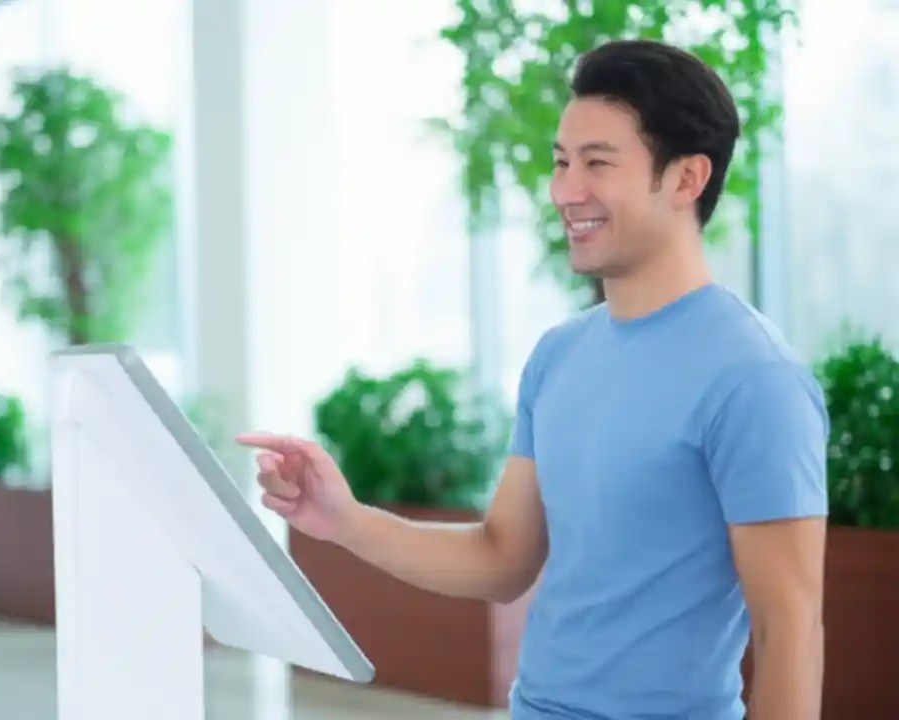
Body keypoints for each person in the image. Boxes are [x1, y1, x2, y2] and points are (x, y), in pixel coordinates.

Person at [237, 39, 826, 720]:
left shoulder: (755, 379)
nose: (566, 191)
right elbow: (501, 558)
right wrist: (345, 520)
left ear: (687, 178)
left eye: (598, 163)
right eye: (562, 162)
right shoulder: (559, 356)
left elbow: (789, 631)